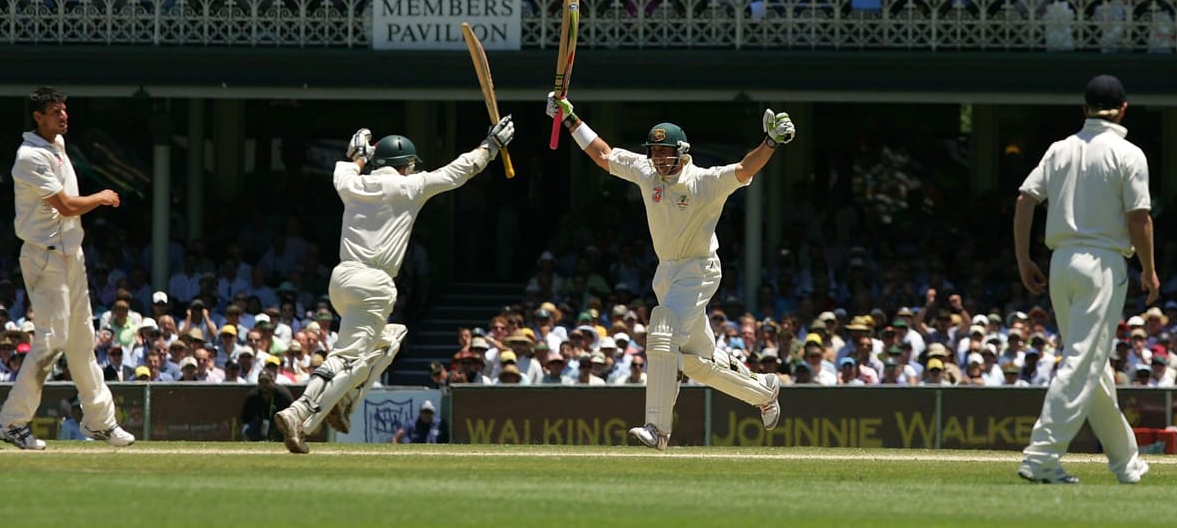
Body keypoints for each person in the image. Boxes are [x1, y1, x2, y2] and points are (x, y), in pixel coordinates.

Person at [544, 93, 795, 450]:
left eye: (666, 153)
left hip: (700, 269)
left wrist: (770, 142)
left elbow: (745, 169)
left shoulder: (704, 183)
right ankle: (764, 393)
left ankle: (657, 430)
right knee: (697, 362)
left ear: (683, 152)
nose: (659, 159)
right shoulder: (647, 172)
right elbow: (603, 154)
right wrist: (570, 119)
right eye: (655, 152)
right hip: (668, 273)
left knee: (662, 329)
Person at [273, 115, 516, 454]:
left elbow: (350, 163)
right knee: (347, 357)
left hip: (342, 279)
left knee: (391, 338)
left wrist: (358, 154)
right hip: (374, 283)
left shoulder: (350, 182)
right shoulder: (407, 188)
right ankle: (299, 412)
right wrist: (491, 146)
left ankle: (345, 403)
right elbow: (458, 171)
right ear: (405, 167)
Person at [1014, 74, 1157, 485]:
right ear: (1124, 109)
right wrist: (1148, 269)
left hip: (1062, 263)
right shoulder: (1129, 153)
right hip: (1103, 264)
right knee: (1082, 362)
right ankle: (1040, 457)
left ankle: (1127, 464)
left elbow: (1026, 198)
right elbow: (1139, 218)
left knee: (1094, 369)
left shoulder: (1060, 149)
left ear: (1084, 109)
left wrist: (1024, 258)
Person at [0, 87, 134, 450]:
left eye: (64, 110)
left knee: (82, 341)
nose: (63, 117)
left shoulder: (57, 146)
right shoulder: (29, 156)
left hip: (71, 253)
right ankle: (12, 421)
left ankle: (100, 422)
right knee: (51, 342)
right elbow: (67, 206)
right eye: (55, 112)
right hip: (44, 257)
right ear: (37, 116)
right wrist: (101, 197)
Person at [240, 356, 293, 441]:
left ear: (273, 382)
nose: (264, 385)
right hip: (259, 422)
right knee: (248, 429)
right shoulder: (253, 395)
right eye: (261, 382)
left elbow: (291, 412)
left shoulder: (282, 394)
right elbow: (245, 418)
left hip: (278, 423)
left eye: (267, 382)